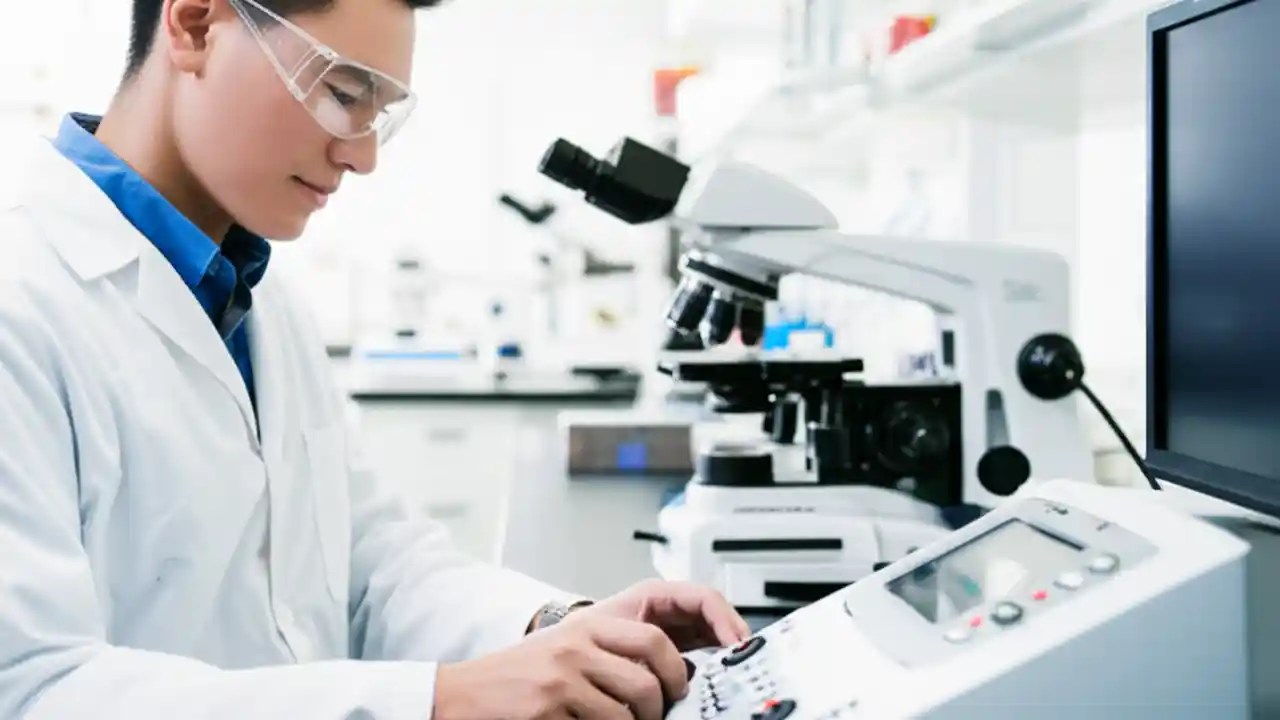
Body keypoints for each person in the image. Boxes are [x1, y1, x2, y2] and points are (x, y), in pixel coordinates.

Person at [0, 0, 750, 718]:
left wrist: (561, 628)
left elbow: (371, 567)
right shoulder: (23, 296)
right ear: (196, 23)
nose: (362, 156)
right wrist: (441, 700)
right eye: (342, 93)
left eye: (379, 112)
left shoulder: (257, 298)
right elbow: (32, 690)